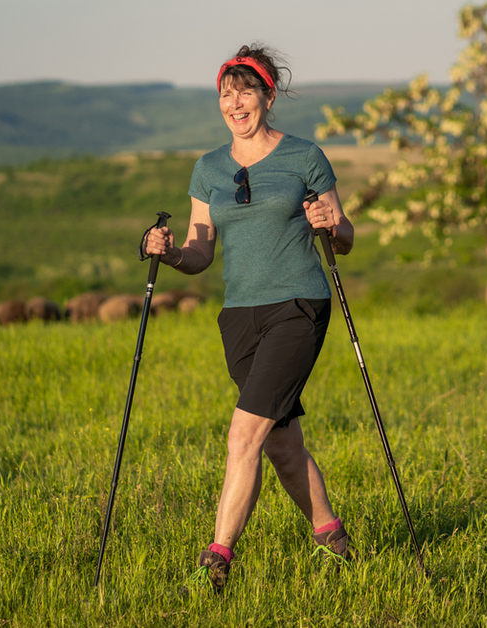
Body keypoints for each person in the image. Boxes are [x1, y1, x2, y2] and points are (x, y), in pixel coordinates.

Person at [143, 44, 356, 593]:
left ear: (267, 95)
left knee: (244, 434)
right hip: (238, 316)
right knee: (281, 441)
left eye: (245, 91)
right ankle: (336, 542)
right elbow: (198, 254)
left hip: (298, 306)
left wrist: (333, 223)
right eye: (225, 94)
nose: (235, 102)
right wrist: (165, 252)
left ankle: (217, 557)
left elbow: (345, 237)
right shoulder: (208, 168)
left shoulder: (305, 157)